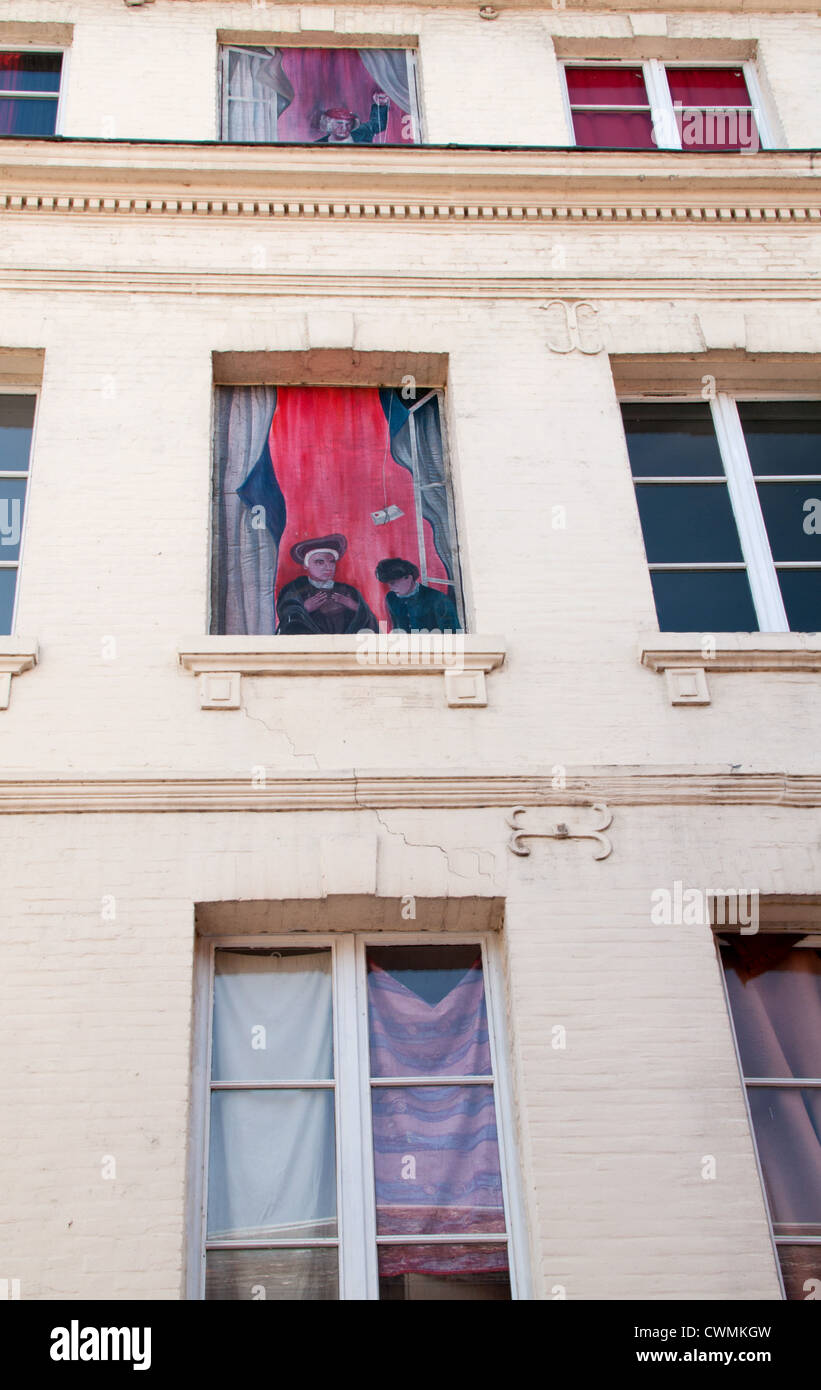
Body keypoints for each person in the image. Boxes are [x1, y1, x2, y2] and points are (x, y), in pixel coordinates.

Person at [277, 535, 378, 635]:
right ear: (306, 565)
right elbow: (287, 621)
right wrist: (304, 609)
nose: (328, 567)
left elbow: (370, 622)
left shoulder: (348, 591)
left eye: (331, 562)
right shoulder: (295, 589)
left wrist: (354, 606)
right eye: (320, 562)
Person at [376, 557, 462, 633]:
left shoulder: (438, 599)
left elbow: (452, 634)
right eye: (388, 583)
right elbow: (396, 627)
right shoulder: (391, 598)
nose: (391, 588)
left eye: (393, 583)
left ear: (408, 578)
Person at [314, 93, 390, 144]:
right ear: (328, 124)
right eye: (339, 123)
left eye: (348, 124)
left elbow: (377, 124)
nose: (344, 128)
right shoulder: (318, 145)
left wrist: (380, 105)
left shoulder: (362, 132)